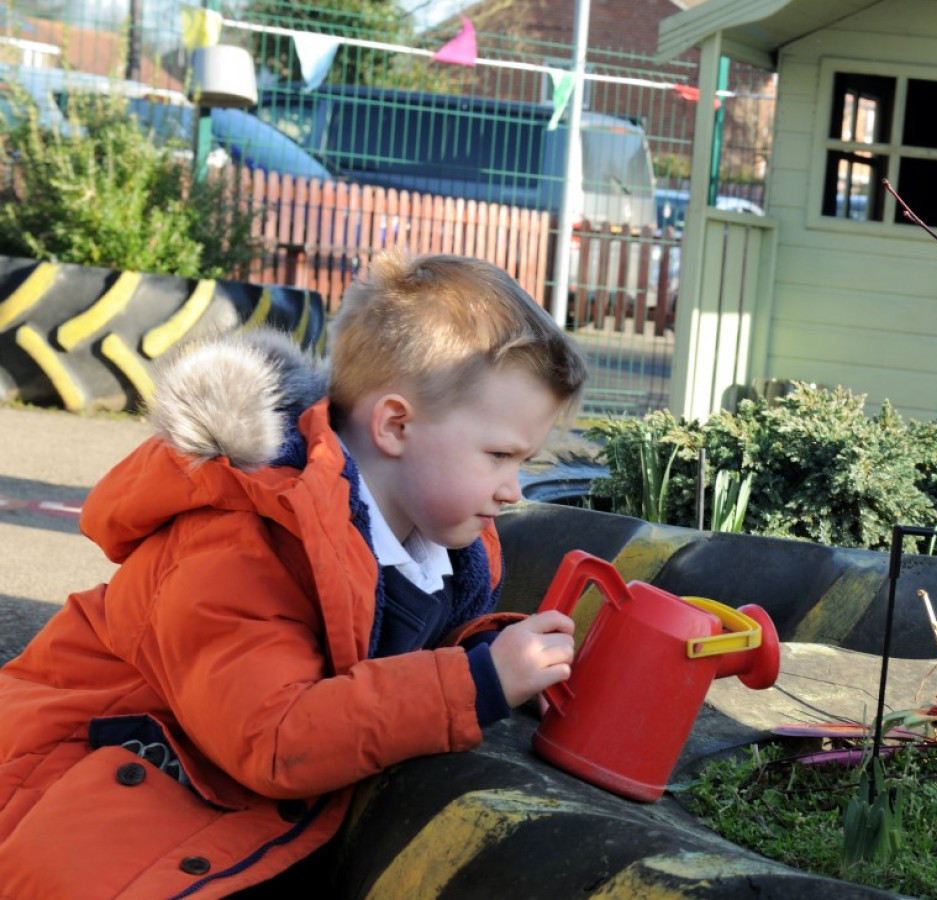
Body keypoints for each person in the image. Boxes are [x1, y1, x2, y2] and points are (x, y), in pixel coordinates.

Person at [0, 252, 588, 897]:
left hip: (189, 779)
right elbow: (274, 738)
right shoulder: (240, 541)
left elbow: (385, 646)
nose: (513, 490)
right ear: (395, 425)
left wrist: (485, 653)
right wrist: (474, 683)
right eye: (500, 456)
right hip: (74, 792)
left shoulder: (431, 544)